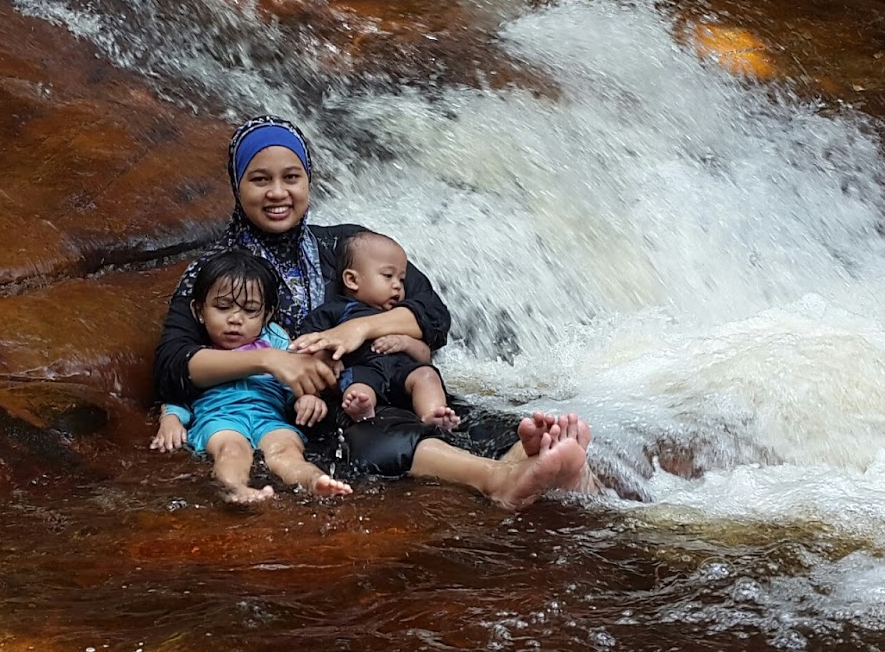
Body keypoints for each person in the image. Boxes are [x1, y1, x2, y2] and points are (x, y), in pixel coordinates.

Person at [152, 115, 597, 509]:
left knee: (475, 420)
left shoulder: (344, 245)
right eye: (260, 180)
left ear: (309, 181)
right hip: (316, 412)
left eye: (291, 177)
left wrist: (360, 327)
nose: (278, 193)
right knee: (375, 437)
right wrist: (271, 360)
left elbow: (431, 312)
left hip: (393, 380)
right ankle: (500, 481)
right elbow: (172, 367)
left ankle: (566, 477)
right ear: (237, 185)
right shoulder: (216, 272)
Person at [149, 250, 354, 503]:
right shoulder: (200, 349)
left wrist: (306, 400)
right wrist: (170, 418)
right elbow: (177, 388)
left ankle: (314, 481)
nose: (235, 319)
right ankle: (235, 489)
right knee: (232, 450)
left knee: (287, 450)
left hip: (269, 418)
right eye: (223, 307)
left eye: (250, 310)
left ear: (267, 315)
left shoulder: (276, 342)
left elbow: (293, 384)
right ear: (199, 311)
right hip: (220, 418)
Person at [300, 230, 458, 429]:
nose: (398, 286)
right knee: (358, 391)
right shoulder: (335, 310)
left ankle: (434, 415)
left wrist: (406, 343)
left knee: (427, 375)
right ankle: (363, 411)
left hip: (402, 371)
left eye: (401, 280)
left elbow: (425, 355)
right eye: (388, 276)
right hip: (364, 371)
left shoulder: (401, 316)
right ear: (352, 280)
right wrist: (326, 356)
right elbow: (309, 339)